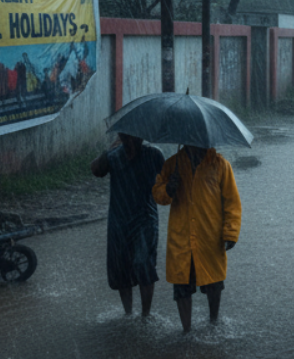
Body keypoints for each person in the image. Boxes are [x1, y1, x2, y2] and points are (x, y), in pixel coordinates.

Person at [153, 144, 242, 332]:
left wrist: (231, 232)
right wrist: (169, 188)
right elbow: (159, 196)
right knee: (182, 285)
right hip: (181, 237)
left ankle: (214, 324)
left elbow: (232, 202)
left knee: (214, 283)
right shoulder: (173, 165)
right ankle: (187, 331)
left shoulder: (221, 165)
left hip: (210, 237)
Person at [91, 133, 165, 317]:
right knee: (120, 267)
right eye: (126, 138)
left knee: (144, 265)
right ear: (121, 138)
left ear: (141, 138)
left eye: (134, 138)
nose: (130, 142)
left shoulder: (154, 154)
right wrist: (108, 151)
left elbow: (167, 179)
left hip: (145, 219)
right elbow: (96, 170)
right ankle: (128, 314)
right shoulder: (114, 155)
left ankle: (145, 314)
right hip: (119, 220)